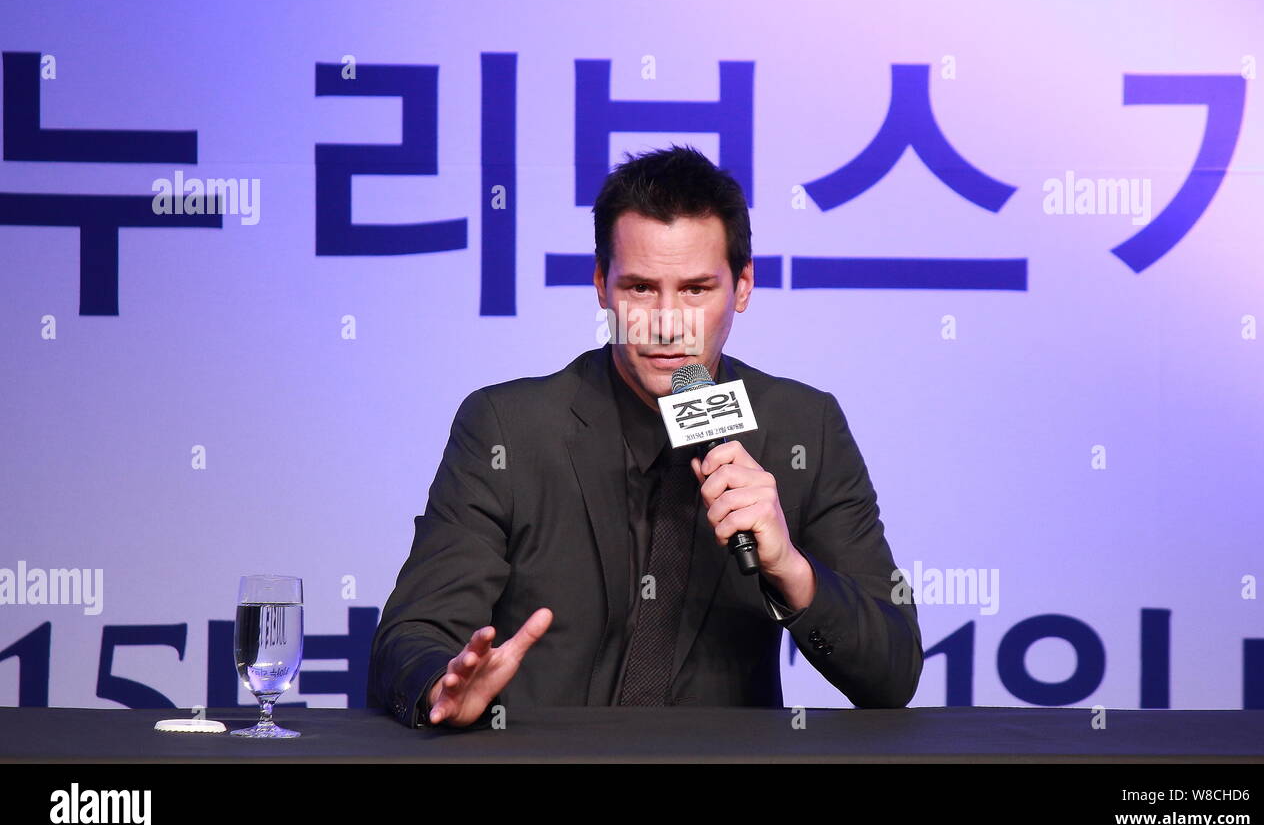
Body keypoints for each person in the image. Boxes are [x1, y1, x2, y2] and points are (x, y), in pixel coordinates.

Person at [368, 145, 923, 728]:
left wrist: (791, 569)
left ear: (743, 287)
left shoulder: (803, 428)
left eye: (695, 290)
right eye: (639, 288)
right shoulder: (508, 427)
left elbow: (892, 674)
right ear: (602, 285)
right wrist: (441, 684)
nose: (666, 322)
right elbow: (412, 633)